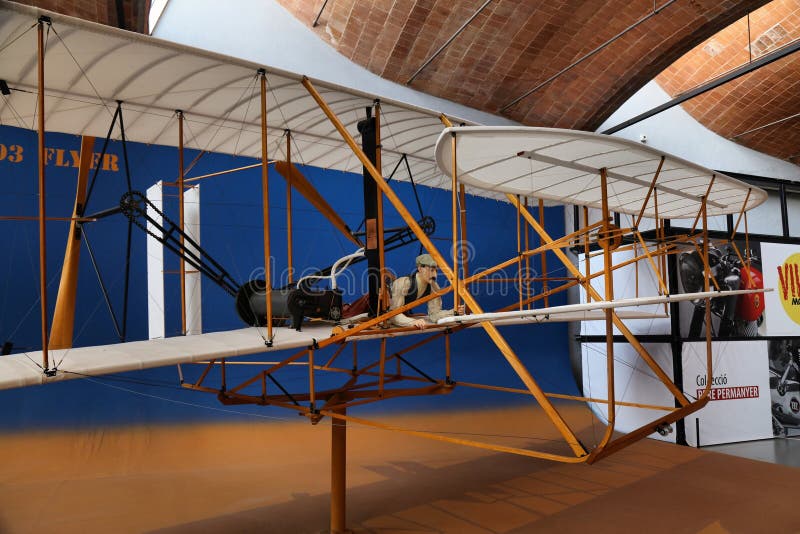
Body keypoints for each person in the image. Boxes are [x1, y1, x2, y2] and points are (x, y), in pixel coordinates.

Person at [389, 253, 463, 329]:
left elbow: (435, 315)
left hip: (403, 315)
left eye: (436, 271)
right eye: (431, 270)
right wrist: (412, 322)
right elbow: (393, 315)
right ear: (420, 269)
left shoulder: (433, 286)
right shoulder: (403, 283)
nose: (435, 275)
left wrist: (453, 312)